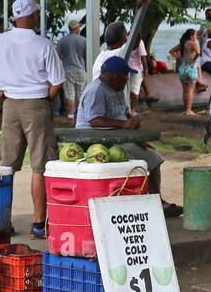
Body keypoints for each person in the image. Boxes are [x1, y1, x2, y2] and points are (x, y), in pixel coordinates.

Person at [0, 0, 65, 239]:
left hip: (9, 105)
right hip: (37, 105)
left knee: (7, 166)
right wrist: (45, 98)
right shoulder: (44, 44)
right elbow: (57, 83)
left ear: (14, 17)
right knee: (40, 165)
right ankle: (37, 224)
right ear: (33, 16)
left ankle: (2, 221)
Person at [75, 57, 182, 219]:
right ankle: (140, 202)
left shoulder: (117, 90)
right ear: (116, 77)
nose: (127, 79)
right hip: (97, 141)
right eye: (125, 76)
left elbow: (125, 115)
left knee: (152, 157)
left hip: (117, 138)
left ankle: (156, 200)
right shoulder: (96, 90)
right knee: (135, 161)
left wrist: (135, 135)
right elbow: (94, 121)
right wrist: (123, 125)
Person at [90, 14, 148, 115]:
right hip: (112, 115)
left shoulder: (100, 56)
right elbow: (135, 40)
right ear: (123, 39)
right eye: (126, 36)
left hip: (110, 111)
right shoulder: (117, 54)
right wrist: (137, 13)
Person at [57, 20, 89, 122]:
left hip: (67, 70)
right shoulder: (84, 40)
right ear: (76, 28)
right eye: (79, 27)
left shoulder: (62, 40)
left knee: (70, 94)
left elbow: (59, 56)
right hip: (80, 69)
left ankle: (70, 116)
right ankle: (81, 116)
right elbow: (86, 56)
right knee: (81, 93)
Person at [169, 28, 201, 116]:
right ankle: (188, 110)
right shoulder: (193, 44)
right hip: (191, 69)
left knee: (185, 91)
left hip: (183, 68)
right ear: (191, 36)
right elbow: (198, 53)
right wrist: (193, 61)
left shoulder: (183, 44)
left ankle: (186, 109)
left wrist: (179, 58)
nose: (196, 37)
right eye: (195, 35)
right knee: (190, 91)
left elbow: (171, 51)